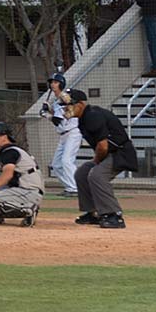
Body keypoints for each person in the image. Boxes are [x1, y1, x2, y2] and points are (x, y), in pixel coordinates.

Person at [66, 87, 135, 228]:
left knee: (96, 175)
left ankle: (114, 215)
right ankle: (94, 213)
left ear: (80, 105)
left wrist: (96, 161)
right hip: (110, 153)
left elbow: (103, 146)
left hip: (121, 153)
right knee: (82, 173)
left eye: (69, 105)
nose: (66, 108)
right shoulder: (83, 118)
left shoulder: (92, 115)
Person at [0, 123, 44, 225]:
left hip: (28, 191)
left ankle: (29, 210)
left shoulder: (9, 151)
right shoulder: (9, 150)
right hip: (23, 189)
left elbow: (8, 175)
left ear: (4, 137)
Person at [45, 73, 82, 195]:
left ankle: (75, 188)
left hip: (73, 132)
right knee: (56, 165)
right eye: (52, 82)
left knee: (66, 161)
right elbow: (57, 115)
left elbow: (58, 119)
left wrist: (46, 114)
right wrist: (49, 109)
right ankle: (70, 187)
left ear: (61, 84)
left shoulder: (64, 96)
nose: (53, 84)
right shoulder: (56, 101)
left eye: (55, 82)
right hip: (63, 135)